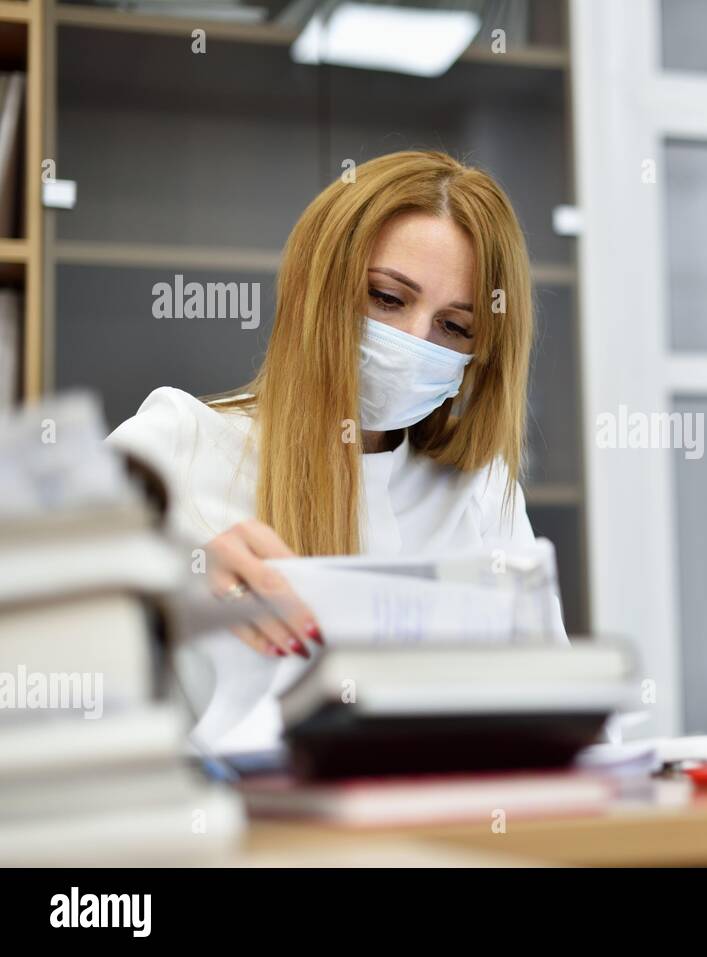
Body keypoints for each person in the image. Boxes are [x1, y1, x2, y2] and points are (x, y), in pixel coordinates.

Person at [108, 150, 563, 664]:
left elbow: (563, 704)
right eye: (387, 297)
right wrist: (170, 585)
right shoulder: (175, 444)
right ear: (316, 290)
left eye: (455, 327)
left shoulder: (478, 494)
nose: (413, 339)